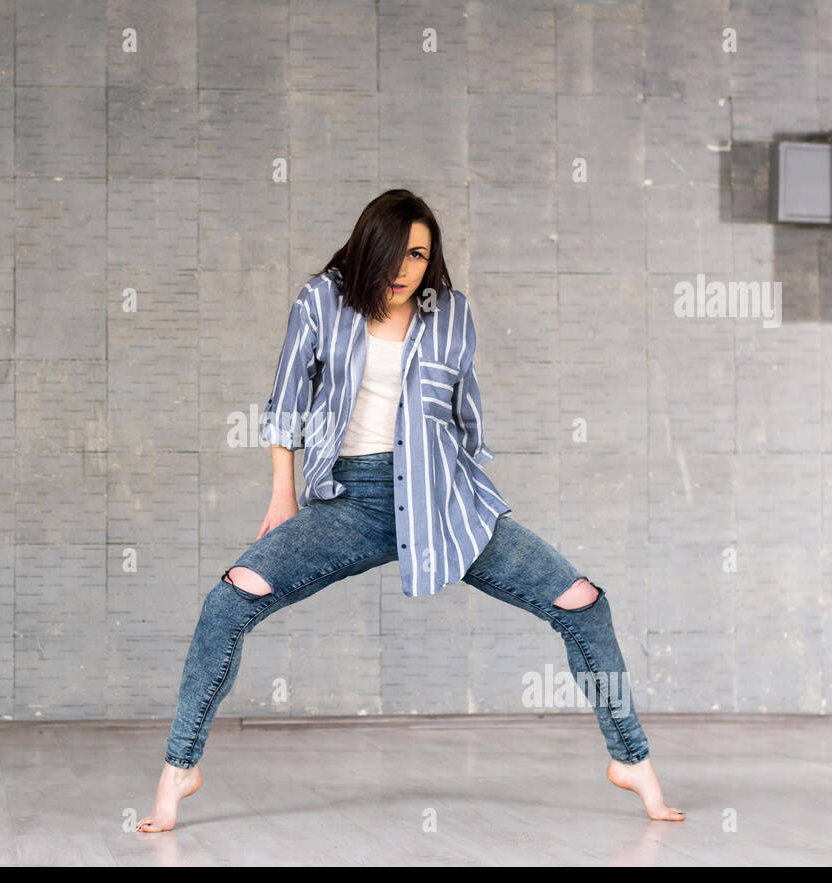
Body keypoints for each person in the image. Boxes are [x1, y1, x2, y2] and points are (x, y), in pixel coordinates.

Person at [137, 189, 683, 832]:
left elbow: (464, 413)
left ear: (432, 261)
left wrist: (473, 494)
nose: (405, 267)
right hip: (350, 500)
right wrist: (283, 495)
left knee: (583, 602)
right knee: (228, 601)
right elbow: (286, 401)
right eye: (395, 251)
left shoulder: (452, 314)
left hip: (443, 500)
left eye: (420, 254)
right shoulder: (321, 300)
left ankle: (631, 760)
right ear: (369, 247)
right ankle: (180, 767)